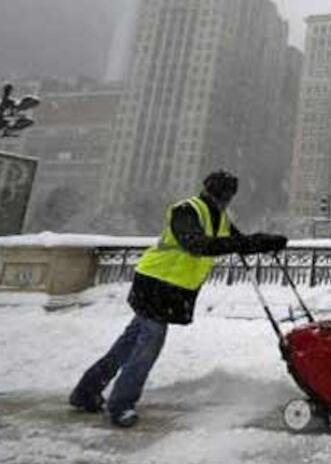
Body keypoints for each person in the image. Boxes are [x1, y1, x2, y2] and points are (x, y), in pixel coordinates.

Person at [69, 170, 287, 428]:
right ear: (210, 191)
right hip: (154, 283)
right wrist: (249, 242)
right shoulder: (187, 210)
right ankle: (121, 404)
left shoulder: (220, 219)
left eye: (226, 195)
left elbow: (237, 242)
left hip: (172, 288)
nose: (223, 199)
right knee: (149, 344)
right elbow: (195, 244)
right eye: (221, 194)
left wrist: (264, 242)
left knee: (128, 344)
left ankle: (86, 391)